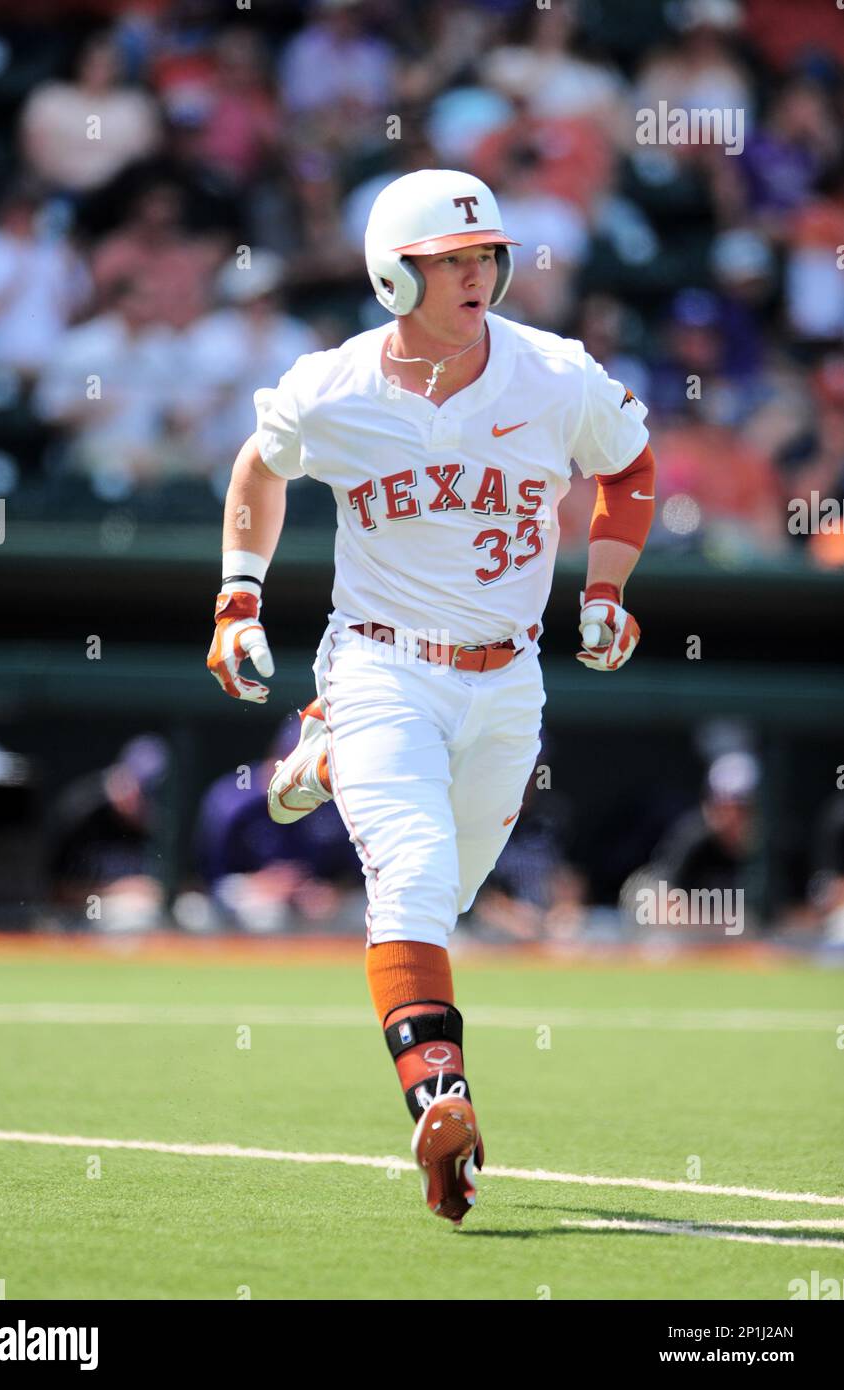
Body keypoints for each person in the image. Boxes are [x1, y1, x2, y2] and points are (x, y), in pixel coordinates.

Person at [206, 169, 656, 1224]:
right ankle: (440, 1095)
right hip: (381, 663)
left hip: (507, 677)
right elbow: (260, 469)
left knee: (449, 891)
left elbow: (631, 470)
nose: (479, 275)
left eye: (487, 255)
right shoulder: (334, 385)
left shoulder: (555, 373)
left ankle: (318, 758)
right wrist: (238, 597)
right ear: (389, 276)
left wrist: (606, 585)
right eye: (451, 261)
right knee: (408, 876)